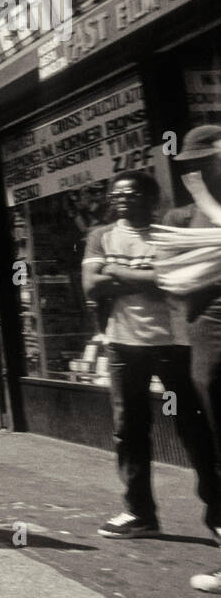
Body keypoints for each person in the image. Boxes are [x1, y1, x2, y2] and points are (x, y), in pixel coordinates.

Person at [81, 170, 220, 543]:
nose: (122, 200)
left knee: (195, 431)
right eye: (117, 195)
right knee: (129, 431)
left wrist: (115, 272)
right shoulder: (101, 236)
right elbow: (92, 285)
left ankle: (218, 514)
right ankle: (139, 513)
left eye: (131, 194)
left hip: (174, 344)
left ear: (151, 198)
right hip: (124, 347)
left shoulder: (168, 233)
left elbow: (174, 283)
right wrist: (146, 277)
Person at [161, 126, 221, 593]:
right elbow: (174, 280)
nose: (195, 171)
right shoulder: (182, 217)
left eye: (206, 162)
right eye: (192, 165)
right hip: (208, 346)